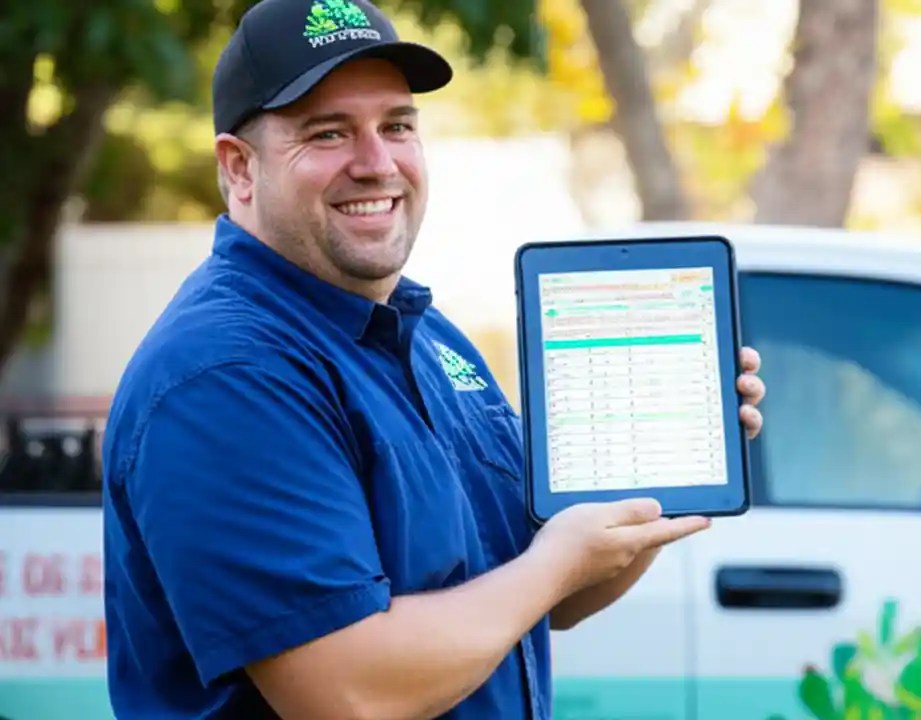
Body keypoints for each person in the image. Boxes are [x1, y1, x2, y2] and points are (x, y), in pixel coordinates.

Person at [99, 0, 767, 718]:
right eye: (328, 133)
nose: (376, 162)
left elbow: (545, 595)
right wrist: (550, 569)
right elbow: (347, 691)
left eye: (397, 126)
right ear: (239, 169)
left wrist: (657, 471)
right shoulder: (227, 376)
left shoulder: (426, 334)